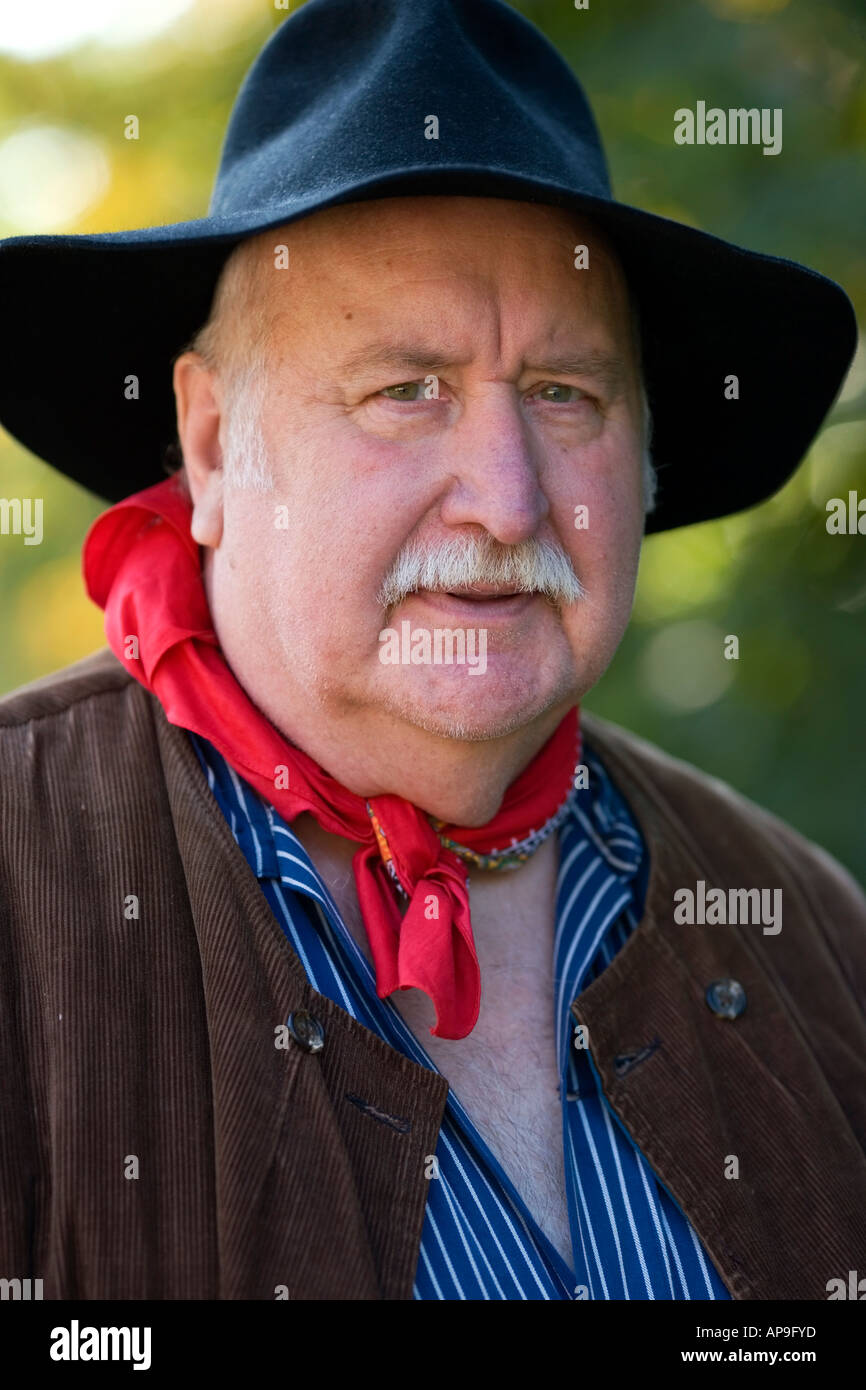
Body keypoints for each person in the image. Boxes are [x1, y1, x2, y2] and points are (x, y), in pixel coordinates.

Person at [1, 0, 864, 1302]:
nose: (506, 501)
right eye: (405, 389)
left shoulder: (812, 932)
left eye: (565, 394)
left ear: (638, 462)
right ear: (215, 441)